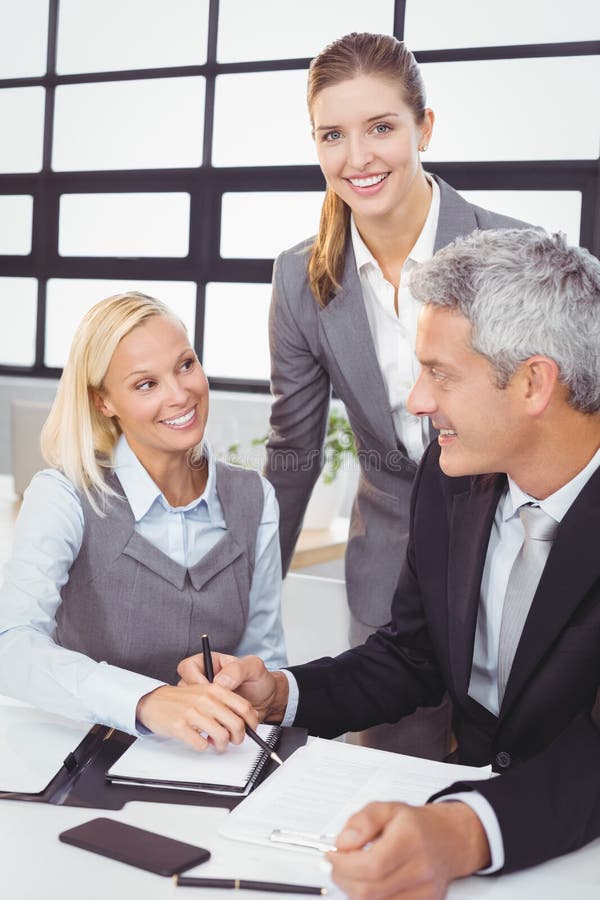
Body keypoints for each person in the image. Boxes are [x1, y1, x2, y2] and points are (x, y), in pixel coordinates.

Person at [179, 228, 600, 893]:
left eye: (440, 374)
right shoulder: (450, 474)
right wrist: (282, 693)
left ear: (533, 383)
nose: (417, 402)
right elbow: (412, 655)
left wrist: (465, 830)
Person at [265, 31, 529, 758]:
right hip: (387, 569)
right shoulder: (300, 280)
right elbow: (293, 450)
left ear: (425, 128)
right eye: (333, 135)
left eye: (380, 127)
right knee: (386, 774)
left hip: (512, 552)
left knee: (519, 775)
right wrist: (253, 594)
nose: (358, 158)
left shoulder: (516, 253)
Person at [0, 291, 285, 751]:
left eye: (185, 365)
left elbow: (264, 656)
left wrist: (247, 687)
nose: (180, 394)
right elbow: (11, 644)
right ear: (103, 402)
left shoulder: (255, 498)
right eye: (146, 384)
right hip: (83, 754)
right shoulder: (64, 496)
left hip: (213, 760)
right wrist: (147, 701)